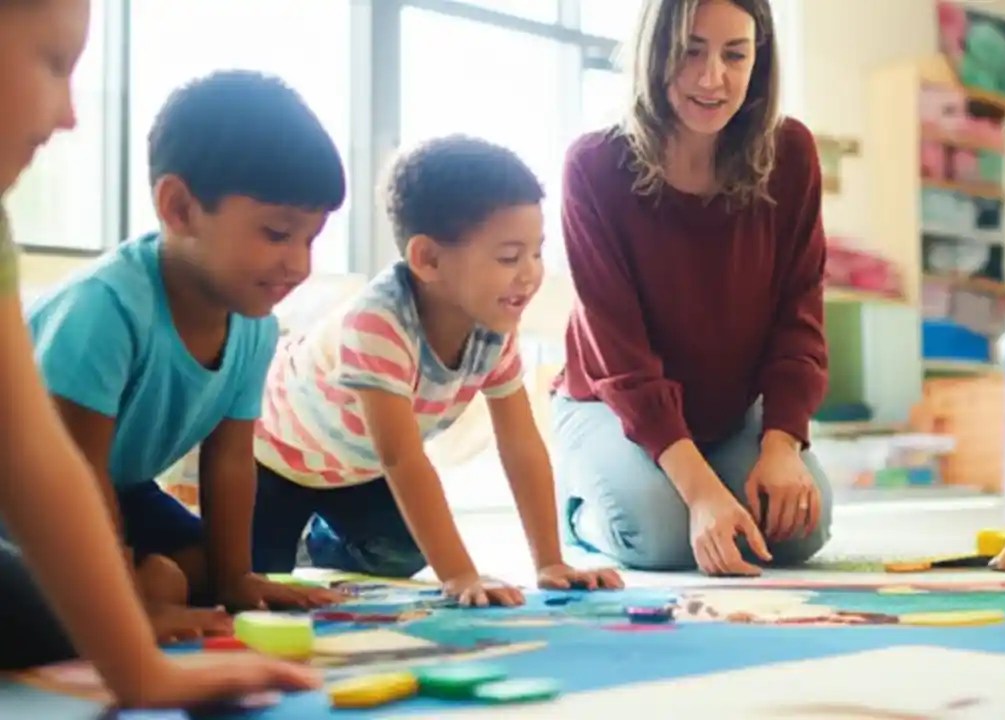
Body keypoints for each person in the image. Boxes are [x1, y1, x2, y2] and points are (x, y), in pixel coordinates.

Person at [0, 0, 325, 707]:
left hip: (105, 488)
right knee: (52, 606)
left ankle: (150, 586)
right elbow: (62, 463)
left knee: (202, 570)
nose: (69, 116)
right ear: (178, 209)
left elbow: (49, 464)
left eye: (311, 239)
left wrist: (224, 592)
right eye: (54, 65)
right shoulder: (104, 306)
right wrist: (120, 613)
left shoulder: (254, 321)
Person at [252, 135, 623, 607]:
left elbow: (520, 442)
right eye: (509, 257)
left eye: (536, 252)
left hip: (353, 468)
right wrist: (460, 576)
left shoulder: (492, 327)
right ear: (427, 259)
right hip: (273, 457)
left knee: (401, 552)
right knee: (259, 583)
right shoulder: (377, 325)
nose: (530, 273)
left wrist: (550, 561)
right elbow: (402, 460)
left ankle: (315, 545)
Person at [552, 0, 832, 577]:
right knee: (661, 540)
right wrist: (702, 494)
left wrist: (781, 445)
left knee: (801, 528)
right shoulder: (593, 166)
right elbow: (619, 355)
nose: (713, 78)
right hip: (611, 404)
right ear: (655, 54)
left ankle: (698, 483)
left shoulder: (792, 155)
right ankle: (580, 511)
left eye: (735, 54)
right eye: (690, 52)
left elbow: (800, 313)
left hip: (730, 409)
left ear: (760, 59)